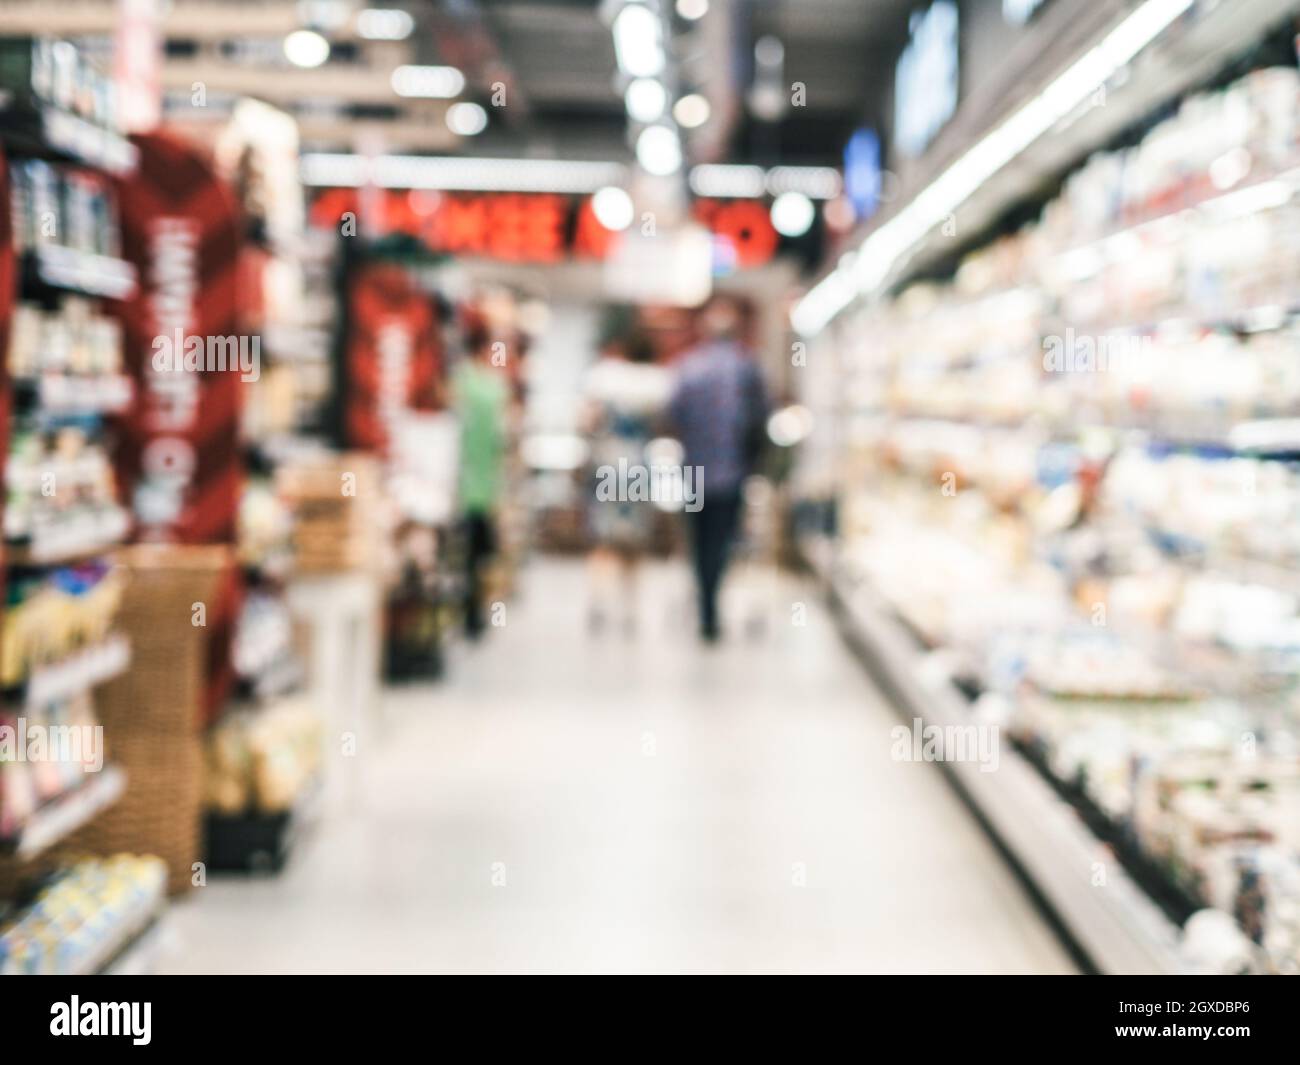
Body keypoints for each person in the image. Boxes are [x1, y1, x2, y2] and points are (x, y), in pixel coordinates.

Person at [667, 294, 769, 643]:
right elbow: (761, 417)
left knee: (698, 542)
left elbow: (672, 415)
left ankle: (706, 605)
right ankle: (712, 603)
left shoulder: (688, 367)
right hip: (731, 472)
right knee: (723, 541)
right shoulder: (746, 367)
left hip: (694, 472)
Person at [581, 324, 671, 634]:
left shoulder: (604, 378)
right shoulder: (659, 383)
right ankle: (630, 608)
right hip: (639, 468)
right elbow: (665, 426)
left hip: (608, 464)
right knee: (634, 542)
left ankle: (598, 602)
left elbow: (588, 420)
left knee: (604, 539)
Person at [451, 321, 510, 639]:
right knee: (480, 556)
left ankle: (460, 613)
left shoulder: (457, 383)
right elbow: (502, 442)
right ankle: (476, 614)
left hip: (458, 483)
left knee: (457, 554)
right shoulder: (495, 387)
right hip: (485, 487)